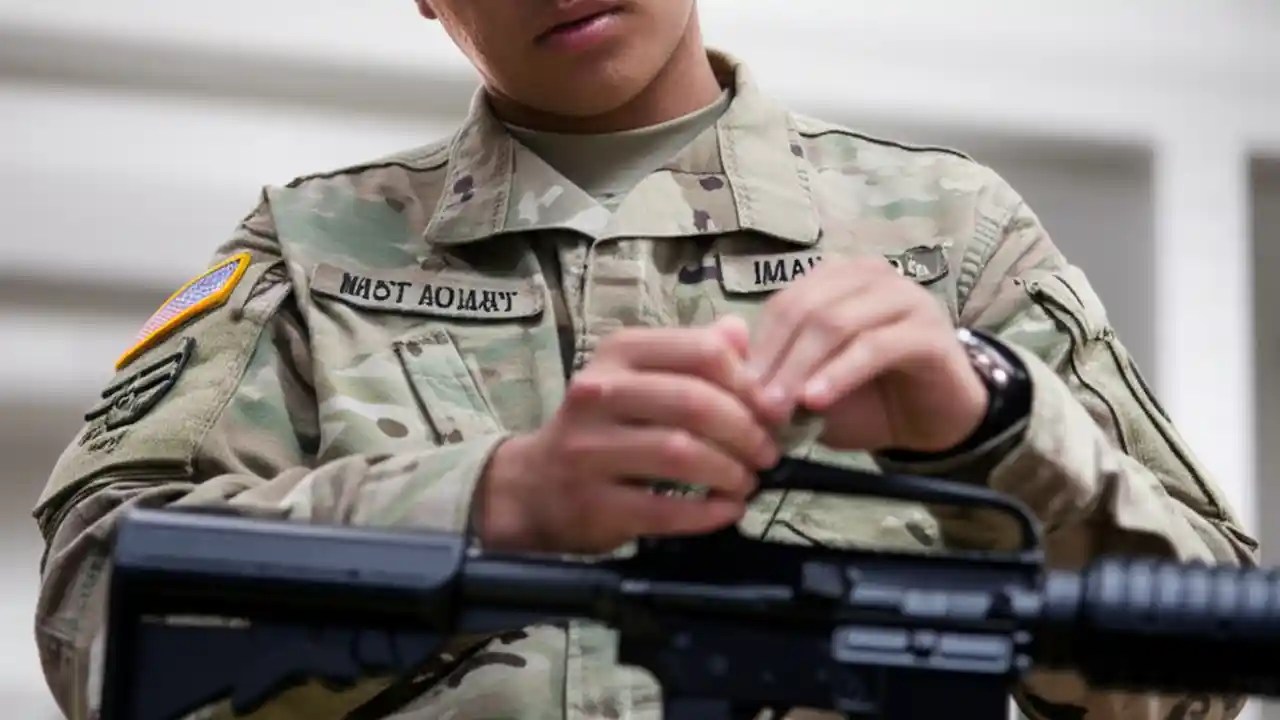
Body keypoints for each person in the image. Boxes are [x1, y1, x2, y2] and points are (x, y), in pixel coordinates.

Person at [32, 1, 1258, 719]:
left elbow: (1203, 683)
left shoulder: (951, 237)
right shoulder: (305, 251)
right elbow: (99, 617)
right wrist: (493, 504)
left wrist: (993, 426)